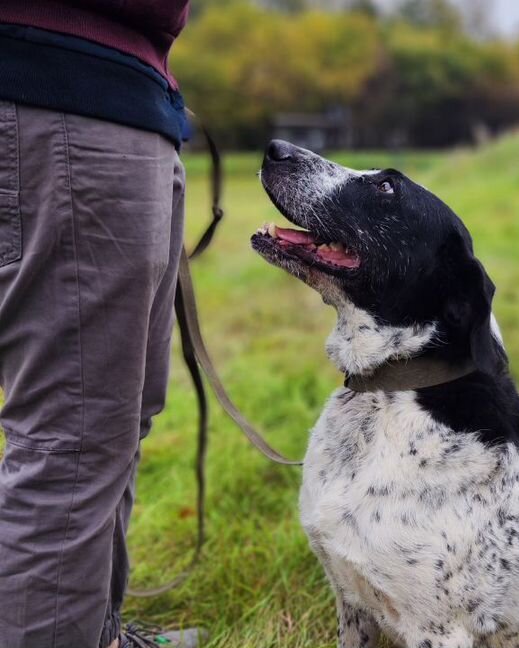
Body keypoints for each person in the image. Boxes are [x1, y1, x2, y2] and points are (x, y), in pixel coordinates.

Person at [0, 2, 203, 647]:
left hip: (123, 97)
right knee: (73, 438)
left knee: (118, 418)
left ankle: (97, 635)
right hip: (60, 89)